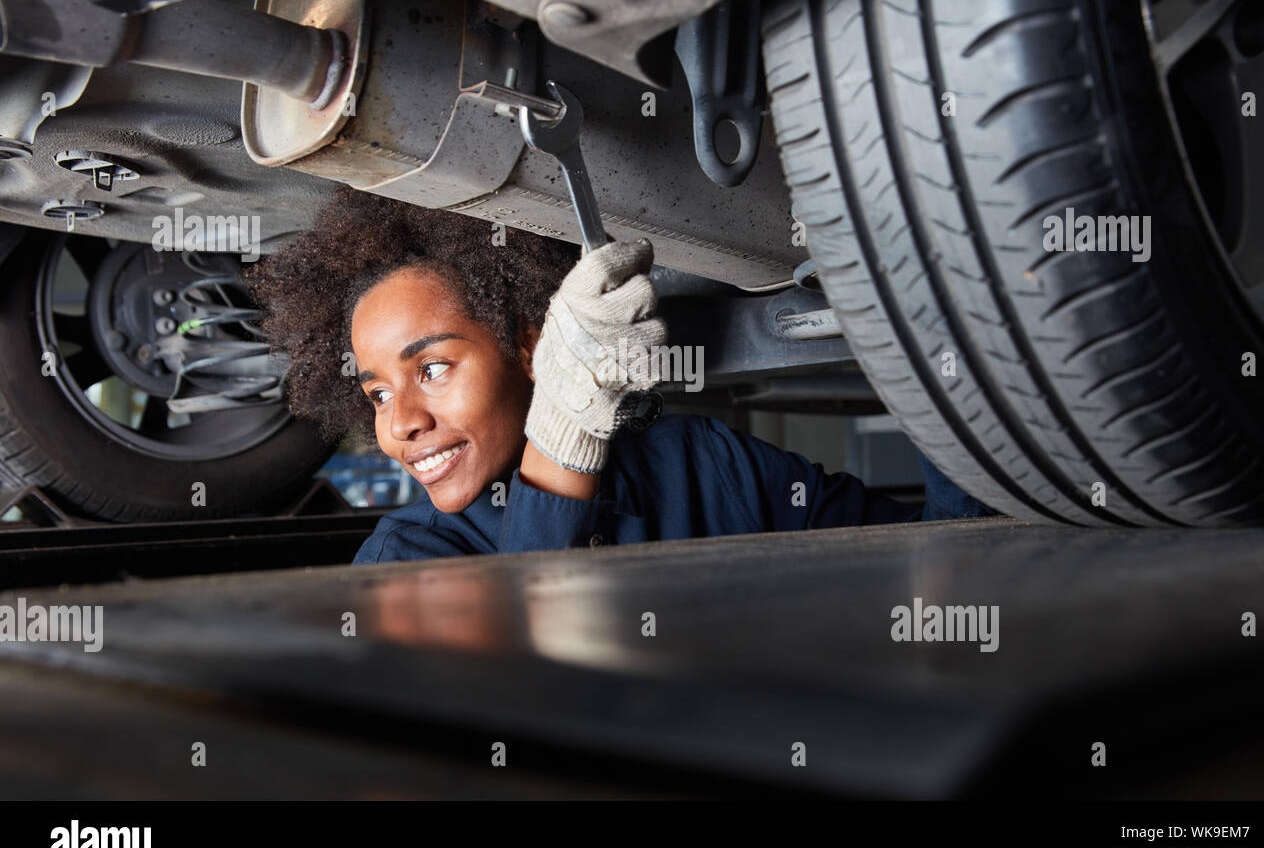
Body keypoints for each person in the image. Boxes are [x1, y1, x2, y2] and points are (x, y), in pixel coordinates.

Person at [246, 188, 993, 565]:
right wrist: (563, 430)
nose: (398, 423)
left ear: (532, 347)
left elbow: (961, 559)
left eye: (432, 368)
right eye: (377, 392)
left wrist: (945, 348)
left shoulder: (703, 466)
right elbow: (530, 691)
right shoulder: (401, 561)